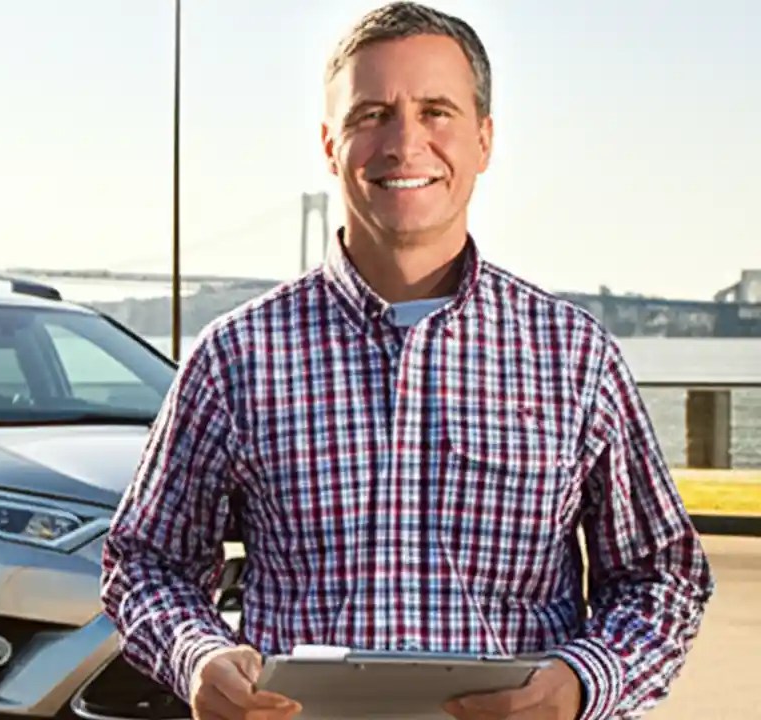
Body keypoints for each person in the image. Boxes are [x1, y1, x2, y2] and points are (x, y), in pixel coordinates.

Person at [99, 2, 715, 719]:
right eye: (372, 115)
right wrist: (197, 657)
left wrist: (584, 681)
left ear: (484, 140)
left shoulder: (574, 357)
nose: (405, 143)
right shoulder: (236, 358)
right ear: (330, 144)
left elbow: (660, 576)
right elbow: (146, 561)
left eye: (436, 111)